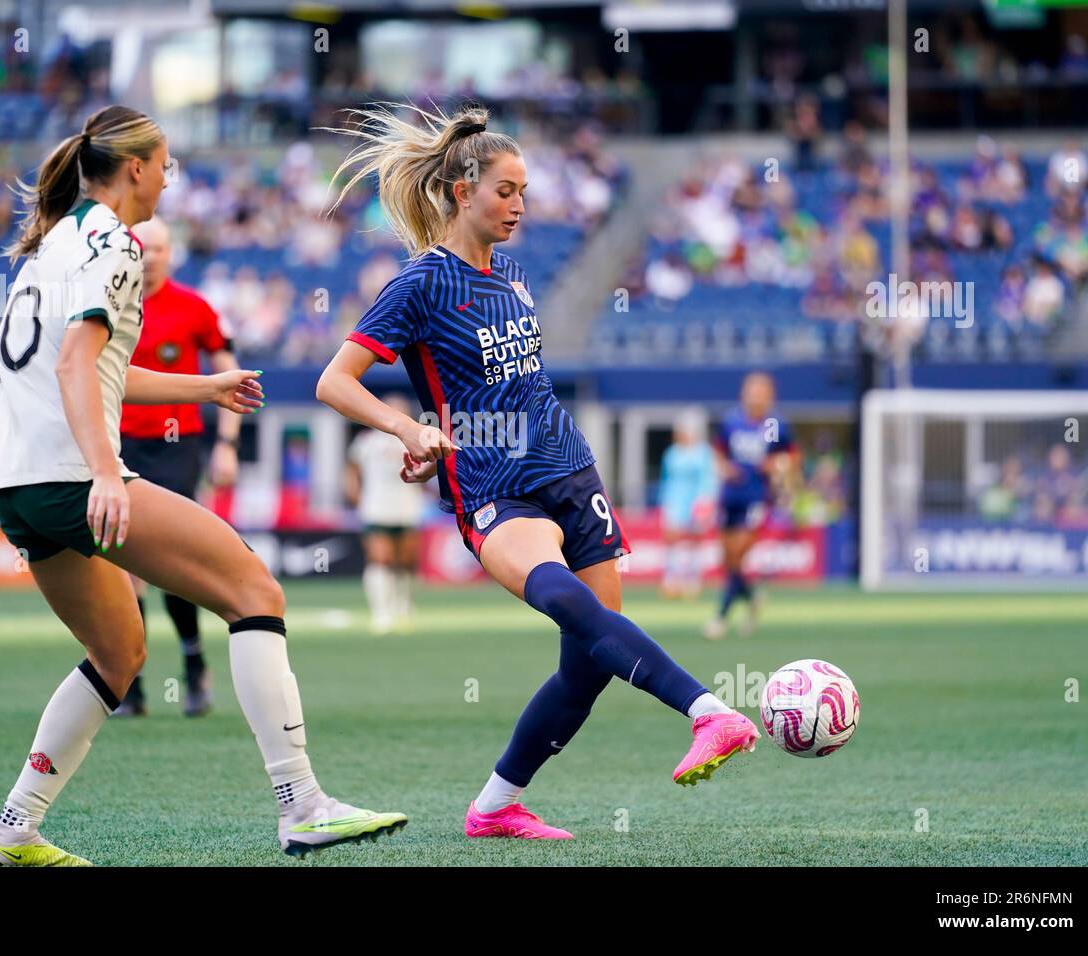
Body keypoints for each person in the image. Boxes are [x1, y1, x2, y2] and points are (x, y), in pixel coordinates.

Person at [0, 105, 406, 864]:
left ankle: (12, 830)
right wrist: (107, 472)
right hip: (74, 474)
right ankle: (303, 805)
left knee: (119, 653)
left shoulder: (52, 245)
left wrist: (203, 390)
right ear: (136, 169)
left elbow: (96, 369)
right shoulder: (114, 242)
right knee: (255, 592)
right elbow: (78, 366)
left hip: (15, 483)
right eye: (165, 164)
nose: (170, 178)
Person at [316, 103, 758, 841]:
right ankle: (708, 710)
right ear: (462, 192)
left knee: (589, 662)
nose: (519, 205)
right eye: (505, 190)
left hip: (570, 469)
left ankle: (493, 806)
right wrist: (409, 427)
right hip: (494, 486)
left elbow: (504, 391)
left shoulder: (513, 277)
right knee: (563, 598)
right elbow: (337, 380)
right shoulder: (423, 283)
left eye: (524, 191)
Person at [114, 216, 241, 718]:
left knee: (171, 563)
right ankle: (130, 681)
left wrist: (226, 443)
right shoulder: (110, 304)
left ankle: (193, 665)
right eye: (141, 249)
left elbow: (226, 364)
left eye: (158, 249)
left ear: (170, 253)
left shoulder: (194, 308)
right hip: (119, 445)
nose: (149, 258)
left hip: (179, 445)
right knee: (124, 567)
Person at [703, 372, 797, 640]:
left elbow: (790, 456)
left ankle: (720, 617)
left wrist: (775, 467)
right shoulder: (732, 421)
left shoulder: (775, 424)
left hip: (756, 496)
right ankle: (752, 595)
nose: (754, 395)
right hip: (730, 495)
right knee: (727, 558)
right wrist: (724, 467)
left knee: (739, 553)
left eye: (760, 390)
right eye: (751, 390)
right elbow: (718, 450)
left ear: (769, 395)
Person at [345, 393, 427, 634]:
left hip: (407, 508)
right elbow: (351, 470)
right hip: (377, 508)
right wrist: (357, 496)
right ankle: (381, 612)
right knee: (380, 558)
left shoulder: (416, 439)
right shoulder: (367, 441)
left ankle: (403, 607)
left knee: (405, 561)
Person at [658, 410, 718, 600]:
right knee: (672, 539)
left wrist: (706, 502)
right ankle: (671, 580)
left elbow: (710, 479)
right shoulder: (671, 454)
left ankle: (693, 581)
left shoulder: (704, 453)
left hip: (696, 501)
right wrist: (665, 502)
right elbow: (666, 479)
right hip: (675, 500)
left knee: (695, 540)